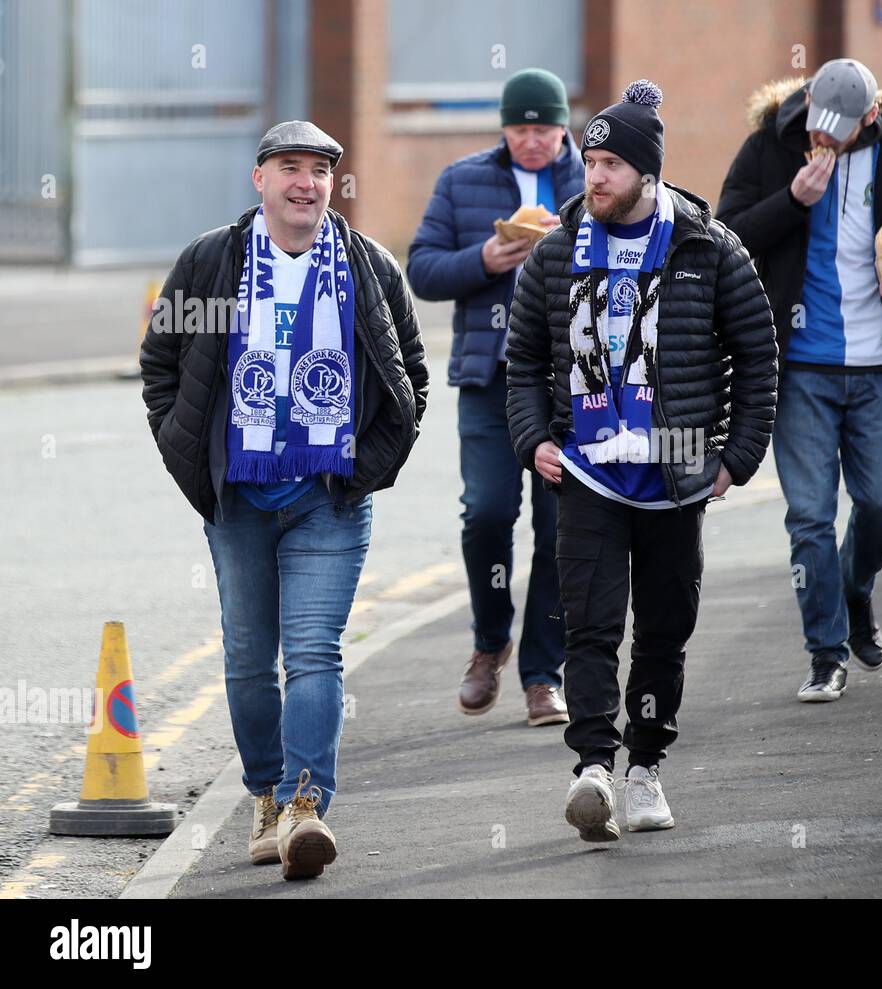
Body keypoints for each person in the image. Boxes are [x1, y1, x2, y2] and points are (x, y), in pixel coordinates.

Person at [140, 120, 428, 880]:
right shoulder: (211, 262)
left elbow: (411, 379)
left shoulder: (368, 267)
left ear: (334, 184)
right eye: (290, 168)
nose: (306, 183)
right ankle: (264, 796)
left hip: (329, 497)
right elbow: (161, 361)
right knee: (245, 658)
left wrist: (365, 468)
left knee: (313, 653)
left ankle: (306, 807)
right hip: (237, 497)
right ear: (260, 179)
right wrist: (192, 460)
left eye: (320, 171)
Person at [506, 80, 778, 841]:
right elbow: (522, 359)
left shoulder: (708, 247)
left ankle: (645, 767)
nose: (593, 176)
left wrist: (736, 458)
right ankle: (593, 764)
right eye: (588, 161)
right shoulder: (557, 251)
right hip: (588, 469)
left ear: (647, 173)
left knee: (664, 630)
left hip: (676, 474)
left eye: (610, 165)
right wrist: (535, 439)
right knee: (590, 626)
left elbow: (759, 357)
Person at [717, 58, 882, 703]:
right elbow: (726, 235)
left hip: (879, 366)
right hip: (800, 367)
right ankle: (825, 653)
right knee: (809, 516)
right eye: (817, 125)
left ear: (871, 117)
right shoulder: (772, 144)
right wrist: (792, 201)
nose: (823, 139)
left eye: (840, 130)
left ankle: (854, 591)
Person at [408, 68, 584, 726]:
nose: (531, 141)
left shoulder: (591, 179)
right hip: (490, 378)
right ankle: (489, 641)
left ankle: (543, 675)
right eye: (519, 129)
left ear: (563, 127)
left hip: (569, 386)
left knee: (561, 528)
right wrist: (483, 259)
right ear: (503, 129)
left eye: (543, 129)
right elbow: (421, 269)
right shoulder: (462, 180)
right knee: (486, 514)